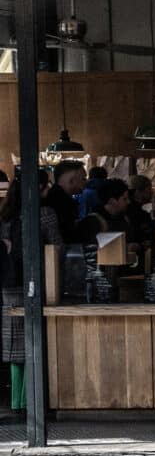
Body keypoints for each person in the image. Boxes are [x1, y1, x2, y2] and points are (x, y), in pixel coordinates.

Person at [2, 171, 61, 410]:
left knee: (14, 344)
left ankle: (16, 401)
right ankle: (29, 401)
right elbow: (57, 248)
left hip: (8, 285)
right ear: (39, 188)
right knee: (33, 342)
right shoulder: (45, 214)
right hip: (36, 282)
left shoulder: (5, 217)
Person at [43, 161, 88, 246]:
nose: (86, 182)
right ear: (70, 180)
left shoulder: (56, 197)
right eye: (83, 178)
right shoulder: (60, 202)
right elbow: (67, 236)